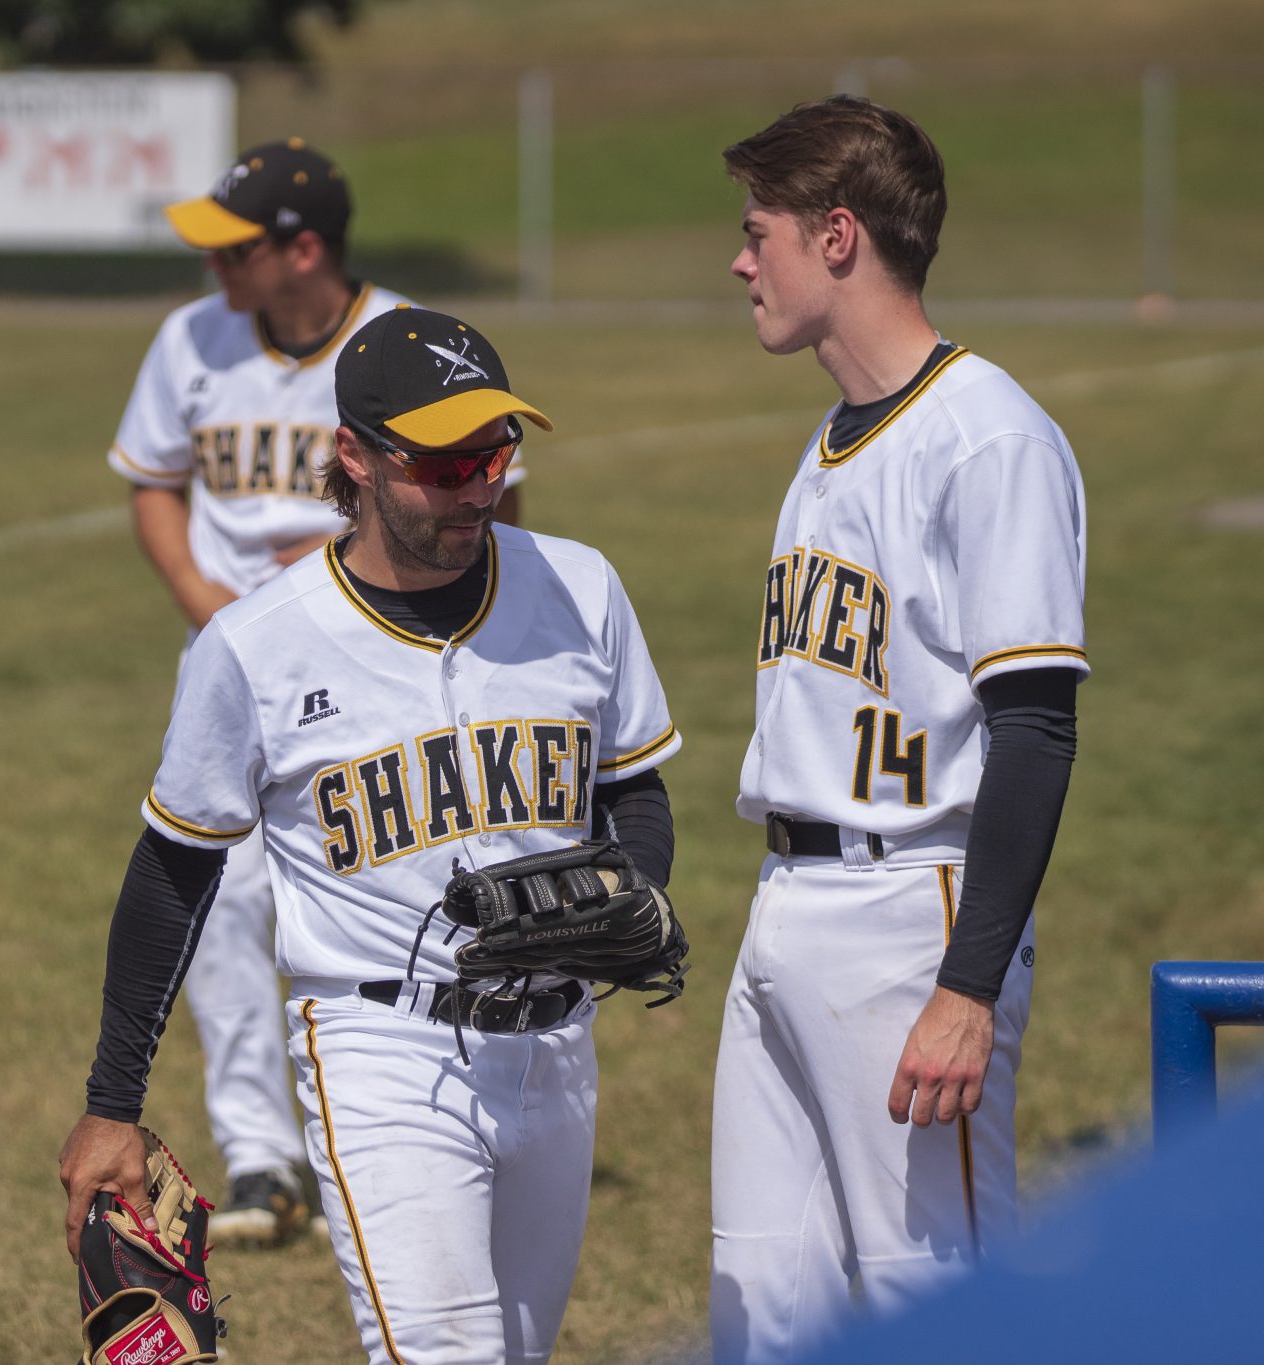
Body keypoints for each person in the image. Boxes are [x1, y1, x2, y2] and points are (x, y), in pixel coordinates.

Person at [63, 307, 680, 1362]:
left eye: (495, 452)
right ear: (351, 455)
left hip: (558, 1054)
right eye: (442, 464)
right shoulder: (256, 644)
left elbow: (633, 791)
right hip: (381, 1051)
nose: (478, 485)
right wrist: (111, 1105)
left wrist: (636, 895)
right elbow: (174, 875)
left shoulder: (579, 588)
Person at [709, 96, 1086, 1362]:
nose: (738, 259)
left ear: (835, 237)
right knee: (763, 1306)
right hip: (786, 907)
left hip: (906, 914)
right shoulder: (829, 438)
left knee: (934, 1308)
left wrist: (966, 987)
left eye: (756, 230)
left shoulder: (985, 439)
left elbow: (1032, 731)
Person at [108, 137, 524, 1246]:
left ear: (303, 250)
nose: (215, 271)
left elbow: (495, 502)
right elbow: (152, 485)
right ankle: (259, 1160)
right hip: (240, 669)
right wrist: (212, 604)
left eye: (234, 249)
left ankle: (445, 1116)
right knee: (222, 897)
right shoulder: (190, 340)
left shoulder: (405, 340)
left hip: (384, 672)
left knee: (408, 892)